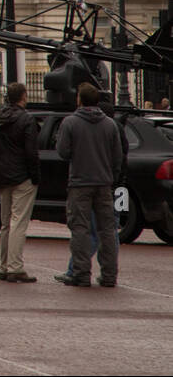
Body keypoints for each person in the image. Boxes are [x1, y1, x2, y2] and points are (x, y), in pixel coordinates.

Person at [56, 83, 123, 287]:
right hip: (104, 183)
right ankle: (109, 275)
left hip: (79, 182)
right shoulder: (110, 124)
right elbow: (117, 157)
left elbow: (63, 152)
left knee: (80, 229)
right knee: (108, 230)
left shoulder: (70, 123)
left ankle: (81, 273)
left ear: (79, 99)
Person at [0, 81, 41, 282]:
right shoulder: (26, 119)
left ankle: (4, 266)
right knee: (19, 222)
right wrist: (35, 176)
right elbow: (31, 152)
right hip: (22, 176)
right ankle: (15, 267)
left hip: (2, 175)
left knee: (5, 224)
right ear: (23, 96)